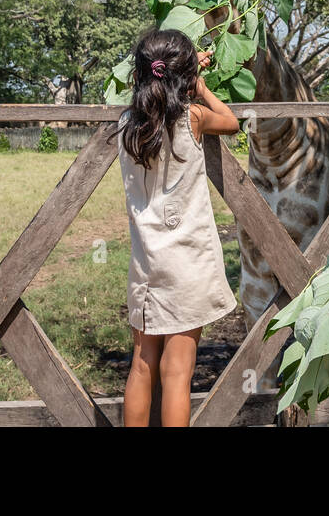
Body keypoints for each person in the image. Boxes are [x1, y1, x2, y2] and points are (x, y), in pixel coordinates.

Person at [107, 27, 240, 426]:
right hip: (187, 265)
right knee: (178, 374)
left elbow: (154, 94)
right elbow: (231, 121)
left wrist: (175, 75)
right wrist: (197, 86)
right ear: (184, 78)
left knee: (142, 366)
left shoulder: (126, 124)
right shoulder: (194, 118)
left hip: (146, 265)